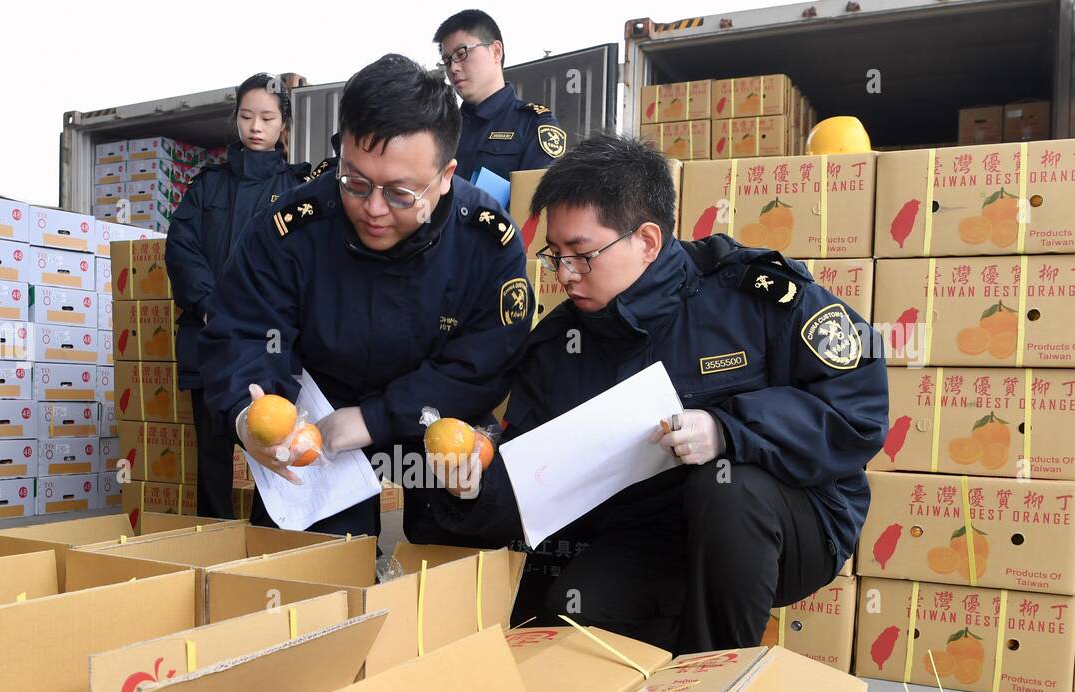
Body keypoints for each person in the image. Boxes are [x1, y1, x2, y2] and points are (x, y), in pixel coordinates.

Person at [429, 134, 889, 654]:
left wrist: (727, 431)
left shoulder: (752, 297)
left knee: (725, 486)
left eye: (582, 255)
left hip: (793, 518)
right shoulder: (559, 348)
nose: (565, 276)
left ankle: (714, 684)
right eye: (554, 256)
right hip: (652, 531)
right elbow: (535, 474)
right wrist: (474, 483)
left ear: (647, 240)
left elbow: (858, 409)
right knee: (570, 620)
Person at [200, 54, 532, 538]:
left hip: (433, 422)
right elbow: (244, 329)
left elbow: (485, 360)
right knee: (305, 583)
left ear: (445, 176)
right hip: (317, 428)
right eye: (354, 182)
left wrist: (379, 417)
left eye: (400, 193)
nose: (373, 209)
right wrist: (250, 415)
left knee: (450, 571)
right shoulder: (294, 225)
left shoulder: (484, 237)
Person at [166, 73, 315, 520]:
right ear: (235, 119)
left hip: (271, 341)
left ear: (283, 125)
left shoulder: (298, 189)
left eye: (267, 117)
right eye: (247, 116)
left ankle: (273, 536)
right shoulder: (208, 185)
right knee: (211, 453)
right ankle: (212, 539)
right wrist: (211, 306)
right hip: (209, 335)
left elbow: (302, 264)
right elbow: (181, 247)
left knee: (274, 443)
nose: (256, 126)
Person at [434, 9, 566, 182]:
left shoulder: (533, 125)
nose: (453, 68)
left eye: (461, 54)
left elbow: (537, 205)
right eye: (447, 61)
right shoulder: (442, 129)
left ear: (496, 51)